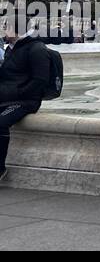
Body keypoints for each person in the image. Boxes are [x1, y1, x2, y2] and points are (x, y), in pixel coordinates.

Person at [0, 21, 55, 180]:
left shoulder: (37, 49)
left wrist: (17, 93)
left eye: (7, 27)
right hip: (7, 97)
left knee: (1, 123)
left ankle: (0, 169)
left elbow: (40, 81)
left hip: (26, 101)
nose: (4, 30)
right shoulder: (12, 48)